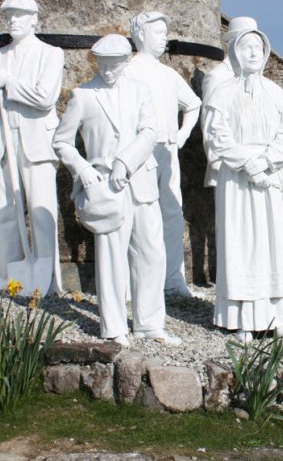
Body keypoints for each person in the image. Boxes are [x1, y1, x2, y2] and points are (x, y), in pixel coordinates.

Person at [53, 34, 180, 346]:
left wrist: (126, 162)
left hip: (141, 181)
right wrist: (84, 170)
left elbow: (149, 131)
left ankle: (149, 323)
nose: (108, 71)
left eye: (114, 65)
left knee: (151, 253)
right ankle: (113, 326)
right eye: (103, 65)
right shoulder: (83, 95)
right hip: (105, 186)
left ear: (125, 62)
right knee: (111, 258)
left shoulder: (140, 90)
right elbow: (61, 142)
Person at [202, 27, 283, 343]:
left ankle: (280, 315)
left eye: (258, 47)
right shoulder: (222, 93)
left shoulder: (276, 93)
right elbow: (216, 135)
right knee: (242, 244)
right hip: (237, 181)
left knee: (275, 244)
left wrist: (266, 162)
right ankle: (242, 318)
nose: (253, 52)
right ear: (235, 52)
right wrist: (247, 163)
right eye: (246, 47)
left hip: (270, 178)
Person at [0, 0, 63, 294]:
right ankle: (8, 279)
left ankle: (47, 281)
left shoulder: (51, 53)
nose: (13, 21)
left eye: (20, 15)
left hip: (36, 141)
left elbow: (45, 97)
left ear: (34, 19)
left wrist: (8, 82)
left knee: (41, 210)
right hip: (3, 140)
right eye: (9, 16)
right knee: (6, 212)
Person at [123, 12, 201, 298]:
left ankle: (173, 278)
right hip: (140, 151)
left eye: (165, 33)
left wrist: (182, 134)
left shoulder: (168, 74)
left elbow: (193, 104)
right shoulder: (128, 71)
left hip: (167, 149)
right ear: (141, 34)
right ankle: (138, 280)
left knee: (171, 212)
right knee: (138, 213)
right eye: (158, 32)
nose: (164, 38)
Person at [201, 16, 258, 188]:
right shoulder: (217, 77)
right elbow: (208, 120)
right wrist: (216, 160)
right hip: (226, 162)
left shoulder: (255, 77)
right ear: (233, 41)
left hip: (254, 161)